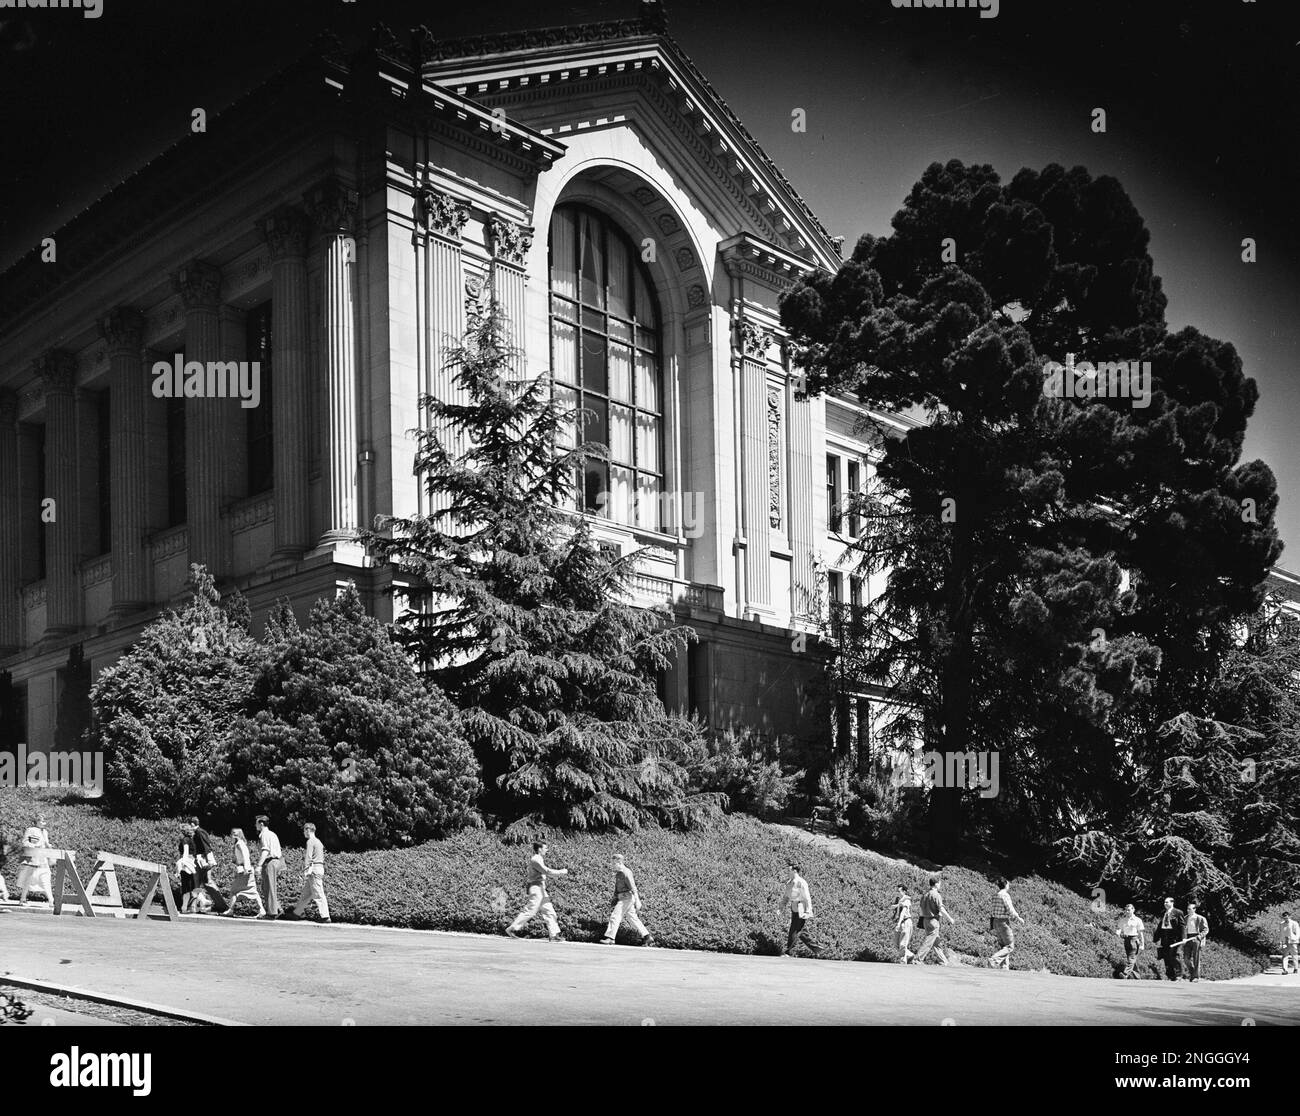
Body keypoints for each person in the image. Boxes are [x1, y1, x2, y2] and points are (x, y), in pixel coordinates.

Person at [505, 842, 568, 941]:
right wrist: (562, 872)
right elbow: (546, 871)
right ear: (539, 849)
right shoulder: (535, 859)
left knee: (549, 911)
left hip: (541, 888)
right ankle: (512, 929)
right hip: (536, 888)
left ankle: (554, 935)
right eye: (545, 848)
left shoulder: (539, 859)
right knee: (531, 910)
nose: (547, 850)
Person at [600, 853, 652, 946]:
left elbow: (633, 887)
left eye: (613, 863)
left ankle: (610, 938)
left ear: (619, 862)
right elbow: (617, 888)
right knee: (632, 918)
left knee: (615, 916)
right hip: (622, 898)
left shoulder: (626, 872)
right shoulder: (618, 874)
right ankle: (647, 937)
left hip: (626, 898)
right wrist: (614, 898)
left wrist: (638, 900)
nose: (612, 865)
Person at [286, 822, 330, 923]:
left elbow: (308, 857)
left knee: (318, 893)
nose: (304, 833)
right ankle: (296, 913)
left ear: (308, 830)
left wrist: (306, 869)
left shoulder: (311, 841)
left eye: (304, 831)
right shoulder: (319, 842)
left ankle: (325, 916)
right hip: (320, 868)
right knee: (306, 894)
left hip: (314, 869)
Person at [911, 874, 956, 965]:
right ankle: (917, 959)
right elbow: (941, 909)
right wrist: (950, 919)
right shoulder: (936, 895)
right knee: (929, 940)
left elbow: (921, 908)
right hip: (933, 921)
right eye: (939, 883)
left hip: (925, 920)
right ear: (936, 884)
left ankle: (943, 961)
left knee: (936, 941)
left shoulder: (925, 895)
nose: (940, 885)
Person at [222, 828, 265, 918]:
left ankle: (231, 910)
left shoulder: (239, 844)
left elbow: (245, 856)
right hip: (247, 870)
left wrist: (246, 868)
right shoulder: (241, 843)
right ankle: (262, 910)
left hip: (244, 870)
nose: (232, 835)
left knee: (234, 890)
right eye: (232, 833)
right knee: (253, 890)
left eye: (234, 834)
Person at [988, 877, 1025, 970]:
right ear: (1005, 885)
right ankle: (994, 960)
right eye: (1008, 884)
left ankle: (1004, 967)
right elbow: (1010, 909)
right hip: (1003, 922)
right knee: (1009, 946)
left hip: (995, 921)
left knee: (1003, 946)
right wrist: (1018, 918)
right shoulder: (1005, 895)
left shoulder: (995, 895)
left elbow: (992, 910)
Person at [782, 863, 818, 957]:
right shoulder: (789, 882)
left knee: (794, 929)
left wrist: (809, 909)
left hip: (802, 905)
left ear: (794, 871)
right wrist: (781, 906)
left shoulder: (801, 882)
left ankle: (789, 952)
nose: (787, 872)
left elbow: (807, 897)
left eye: (789, 870)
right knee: (799, 929)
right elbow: (786, 896)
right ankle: (817, 948)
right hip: (794, 905)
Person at [16, 814, 52, 906]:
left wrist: (48, 846)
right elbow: (25, 842)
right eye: (42, 821)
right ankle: (22, 899)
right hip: (31, 859)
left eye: (45, 821)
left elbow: (46, 843)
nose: (44, 823)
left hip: (42, 859)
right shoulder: (30, 830)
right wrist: (35, 846)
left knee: (46, 879)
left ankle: (52, 901)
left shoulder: (45, 832)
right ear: (37, 821)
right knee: (28, 879)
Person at [255, 815, 282, 920]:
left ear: (261, 824)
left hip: (270, 862)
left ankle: (271, 913)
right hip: (275, 861)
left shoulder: (265, 835)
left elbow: (265, 851)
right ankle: (277, 909)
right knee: (266, 887)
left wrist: (258, 865)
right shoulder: (272, 834)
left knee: (269, 887)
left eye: (256, 823)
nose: (255, 825)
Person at [1152, 896, 1185, 981]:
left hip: (1174, 937)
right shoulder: (1164, 912)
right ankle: (1171, 976)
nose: (1165, 904)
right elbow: (1160, 926)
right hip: (1164, 936)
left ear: (1172, 903)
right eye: (1164, 902)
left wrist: (1183, 937)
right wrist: (1156, 938)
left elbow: (1182, 926)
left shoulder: (1178, 912)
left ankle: (1179, 975)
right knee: (1166, 956)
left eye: (1167, 902)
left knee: (1174, 956)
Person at [1181, 901, 1209, 983]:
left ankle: (1195, 977)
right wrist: (1183, 938)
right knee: (1186, 958)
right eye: (1187, 909)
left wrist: (1200, 937)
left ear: (1194, 909)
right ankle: (1193, 972)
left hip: (1196, 938)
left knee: (1196, 958)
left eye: (1190, 909)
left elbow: (1206, 929)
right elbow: (1182, 930)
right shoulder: (1185, 918)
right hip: (1187, 938)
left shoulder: (1200, 918)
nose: (1188, 910)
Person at [1115, 903, 1145, 979]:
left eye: (1129, 910)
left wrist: (1142, 944)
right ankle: (1137, 977)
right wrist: (1118, 934)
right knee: (1131, 958)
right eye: (1126, 910)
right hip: (1126, 940)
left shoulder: (1138, 920)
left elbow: (1141, 933)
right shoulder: (1123, 920)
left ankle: (1125, 974)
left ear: (1133, 910)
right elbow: (1118, 930)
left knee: (1131, 958)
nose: (1127, 911)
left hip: (1134, 940)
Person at [892, 884, 915, 963]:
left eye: (899, 891)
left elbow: (903, 912)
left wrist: (898, 923)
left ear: (904, 891)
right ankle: (909, 954)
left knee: (903, 943)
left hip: (906, 922)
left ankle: (903, 960)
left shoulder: (907, 900)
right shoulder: (900, 900)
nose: (897, 893)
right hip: (900, 922)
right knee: (896, 943)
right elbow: (898, 909)